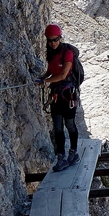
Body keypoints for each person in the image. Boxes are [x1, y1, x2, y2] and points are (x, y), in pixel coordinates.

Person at [36, 24, 80, 172]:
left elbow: (62, 75)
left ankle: (73, 153)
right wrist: (42, 78)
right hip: (56, 96)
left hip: (68, 95)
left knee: (69, 124)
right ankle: (61, 157)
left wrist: (45, 81)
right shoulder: (51, 53)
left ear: (60, 38)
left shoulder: (67, 53)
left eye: (55, 40)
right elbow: (51, 71)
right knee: (58, 128)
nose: (53, 43)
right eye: (50, 40)